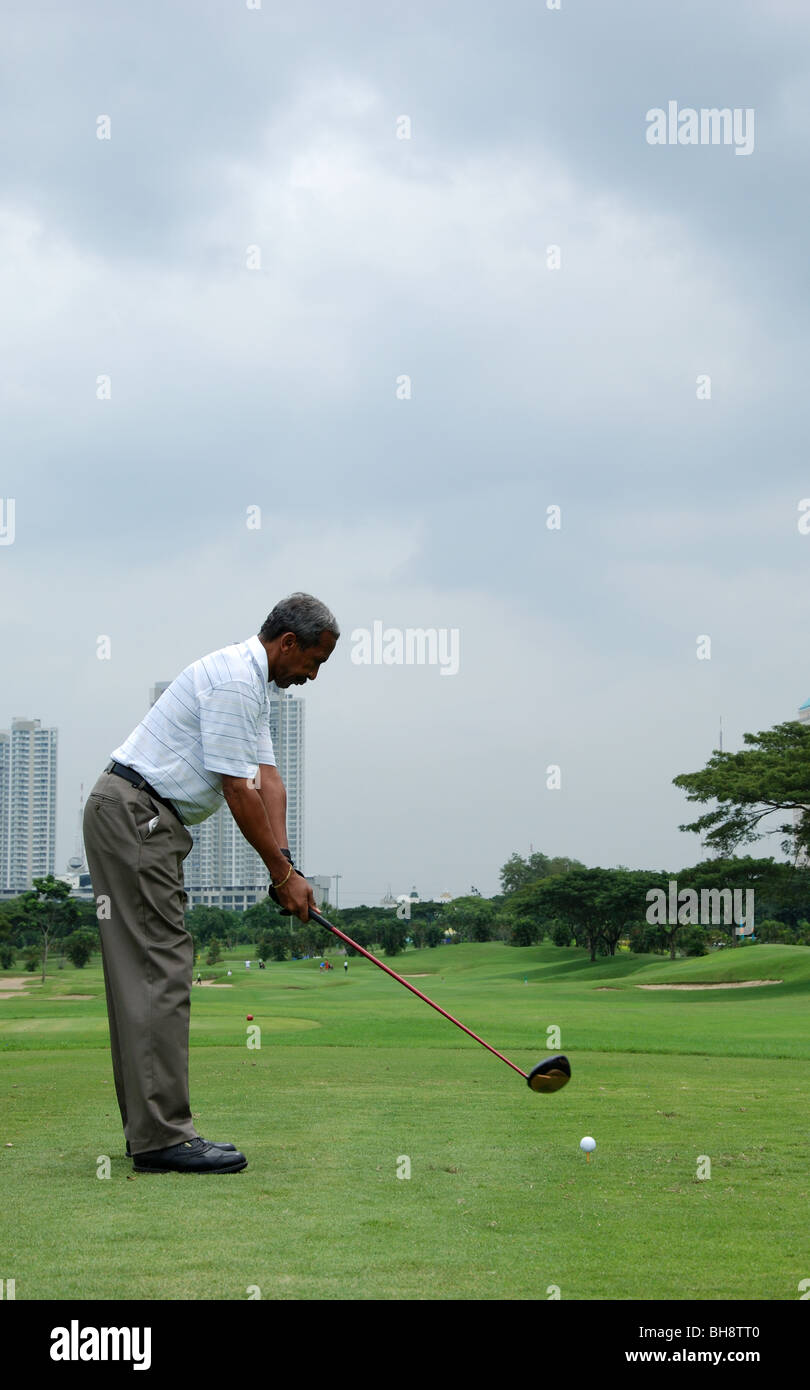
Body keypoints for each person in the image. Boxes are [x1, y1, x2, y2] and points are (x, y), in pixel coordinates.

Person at [82, 593, 339, 1174]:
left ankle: (151, 1134)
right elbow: (236, 789)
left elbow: (267, 779)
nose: (312, 676)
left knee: (147, 970)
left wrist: (289, 867)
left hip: (136, 815)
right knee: (160, 968)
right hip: (137, 814)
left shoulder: (253, 687)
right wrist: (281, 875)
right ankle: (162, 1139)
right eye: (313, 662)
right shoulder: (232, 682)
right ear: (288, 643)